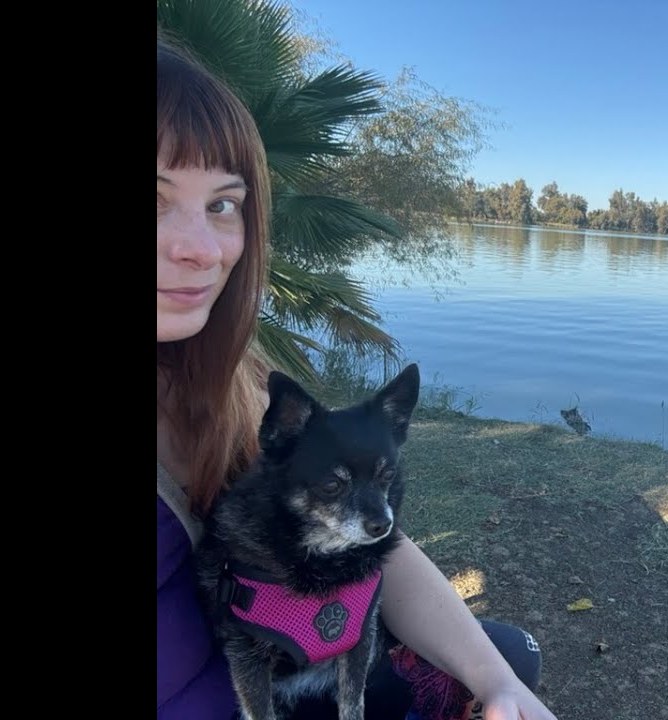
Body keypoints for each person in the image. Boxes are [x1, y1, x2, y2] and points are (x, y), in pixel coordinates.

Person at [157, 34, 557, 720]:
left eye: (223, 204)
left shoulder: (223, 382)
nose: (200, 248)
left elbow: (369, 543)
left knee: (509, 660)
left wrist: (498, 686)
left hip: (278, 671)